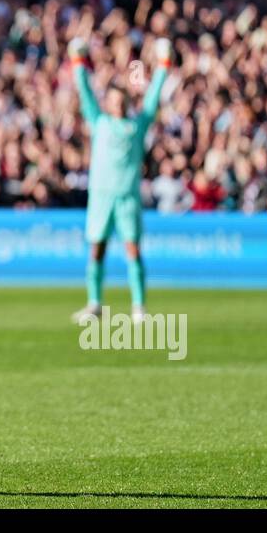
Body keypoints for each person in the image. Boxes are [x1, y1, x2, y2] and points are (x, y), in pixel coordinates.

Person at [68, 37, 172, 323]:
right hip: (101, 195)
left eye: (121, 100)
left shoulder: (136, 126)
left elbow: (152, 99)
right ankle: (94, 303)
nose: (117, 104)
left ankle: (138, 307)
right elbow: (85, 92)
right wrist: (78, 62)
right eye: (113, 100)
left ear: (126, 102)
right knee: (97, 249)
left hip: (127, 196)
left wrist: (163, 66)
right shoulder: (99, 123)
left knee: (133, 250)